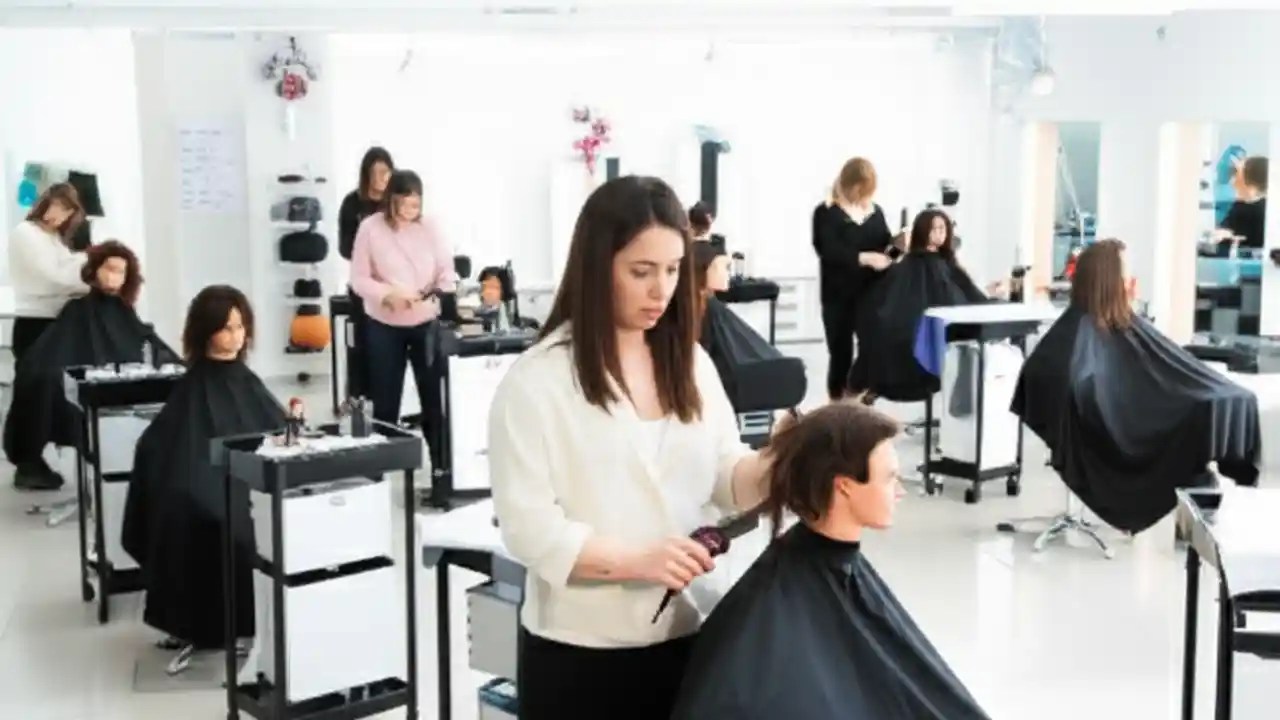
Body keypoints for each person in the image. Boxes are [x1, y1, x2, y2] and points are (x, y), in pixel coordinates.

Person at [487, 175, 777, 719]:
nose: (661, 291)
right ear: (597, 268)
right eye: (641, 272)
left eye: (672, 271)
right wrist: (637, 561)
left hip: (690, 637)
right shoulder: (536, 382)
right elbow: (530, 529)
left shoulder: (691, 364)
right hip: (581, 658)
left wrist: (777, 466)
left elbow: (725, 475)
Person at [670, 403, 990, 719]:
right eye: (890, 478)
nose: (900, 491)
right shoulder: (769, 611)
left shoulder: (825, 570)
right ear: (845, 486)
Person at [1012, 239, 1260, 533]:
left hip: (1135, 406)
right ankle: (1195, 514)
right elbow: (1058, 379)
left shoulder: (1116, 322)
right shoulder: (1081, 329)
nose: (1131, 282)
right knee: (1200, 421)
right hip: (1115, 420)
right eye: (1124, 274)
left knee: (1228, 402)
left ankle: (1197, 507)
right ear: (1107, 279)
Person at [122, 285, 285, 657]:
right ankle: (196, 623)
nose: (235, 336)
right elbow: (158, 448)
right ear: (204, 331)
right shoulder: (191, 389)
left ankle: (251, 619)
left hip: (249, 485)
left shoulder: (249, 383)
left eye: (240, 327)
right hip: (197, 487)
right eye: (225, 328)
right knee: (205, 512)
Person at [2, 241, 175, 490]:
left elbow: (147, 340)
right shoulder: (77, 309)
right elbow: (50, 354)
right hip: (86, 388)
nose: (113, 276)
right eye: (109, 269)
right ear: (94, 271)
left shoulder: (124, 312)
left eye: (120, 272)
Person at [350, 169, 454, 466]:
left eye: (416, 205)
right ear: (390, 201)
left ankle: (440, 469)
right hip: (384, 325)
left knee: (434, 399)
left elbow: (448, 272)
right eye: (404, 205)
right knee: (385, 401)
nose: (411, 212)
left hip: (425, 323)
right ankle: (383, 471)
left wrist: (432, 295)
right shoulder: (370, 228)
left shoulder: (431, 227)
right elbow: (359, 278)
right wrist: (386, 294)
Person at [848, 209, 990, 403]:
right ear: (923, 231)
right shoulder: (910, 265)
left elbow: (967, 291)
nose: (940, 233)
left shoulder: (947, 263)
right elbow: (889, 292)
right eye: (934, 229)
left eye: (943, 228)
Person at [812, 158, 898, 401]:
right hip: (837, 296)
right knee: (840, 354)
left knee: (873, 345)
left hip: (870, 294)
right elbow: (827, 250)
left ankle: (858, 397)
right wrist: (863, 258)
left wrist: (898, 246)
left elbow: (885, 245)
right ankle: (837, 407)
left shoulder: (875, 212)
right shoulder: (826, 212)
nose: (863, 195)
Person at [693, 241, 806, 418]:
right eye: (724, 267)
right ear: (704, 269)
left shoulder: (706, 304)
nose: (728, 274)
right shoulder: (705, 309)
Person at [8, 183, 88, 364]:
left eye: (67, 211)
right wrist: (86, 284)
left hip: (57, 322)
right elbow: (50, 279)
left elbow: (66, 270)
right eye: (59, 206)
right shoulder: (26, 232)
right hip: (35, 322)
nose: (61, 215)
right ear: (46, 202)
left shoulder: (56, 238)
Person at [338, 146, 395, 399]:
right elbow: (344, 246)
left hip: (393, 285)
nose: (382, 178)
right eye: (376, 172)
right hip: (363, 286)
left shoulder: (394, 204)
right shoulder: (352, 204)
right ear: (366, 175)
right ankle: (359, 399)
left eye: (386, 172)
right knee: (362, 345)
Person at [1214, 155, 1267, 255]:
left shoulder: (1267, 213)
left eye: (1237, 175)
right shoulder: (1239, 206)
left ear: (1252, 185)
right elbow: (1225, 229)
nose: (1233, 182)